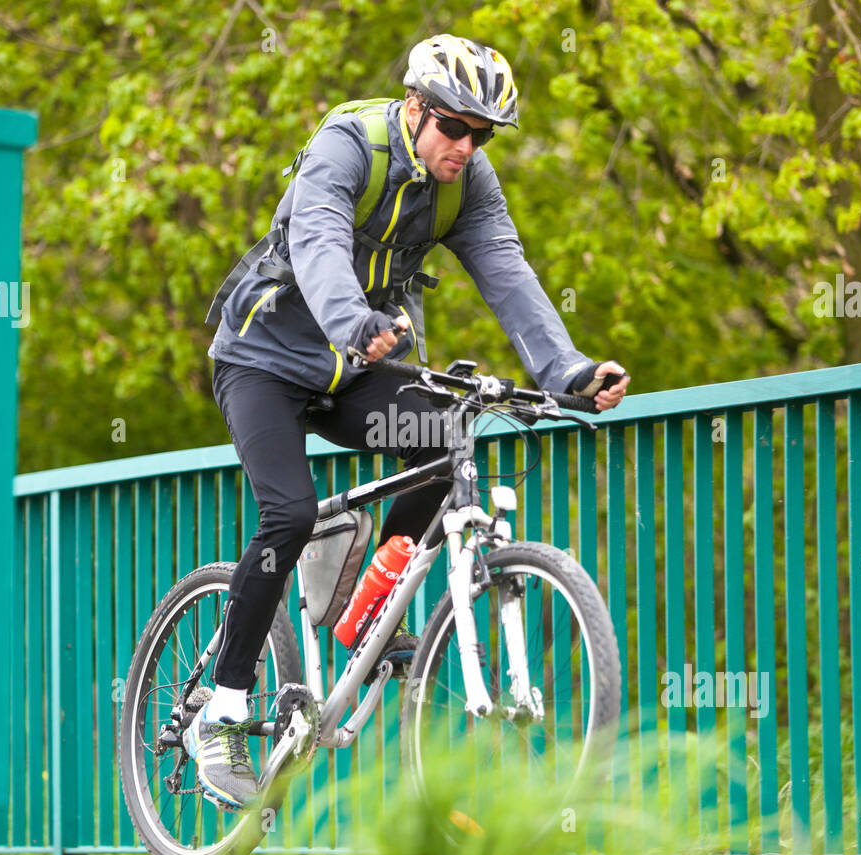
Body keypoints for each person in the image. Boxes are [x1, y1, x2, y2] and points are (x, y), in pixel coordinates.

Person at [188, 33, 630, 810]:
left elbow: (508, 273)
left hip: (356, 367)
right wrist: (353, 321)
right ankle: (221, 710)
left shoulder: (468, 184)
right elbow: (319, 239)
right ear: (418, 109)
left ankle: (362, 612)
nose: (467, 146)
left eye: (482, 135)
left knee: (446, 434)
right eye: (455, 127)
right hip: (264, 358)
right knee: (287, 513)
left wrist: (567, 373)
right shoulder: (347, 143)